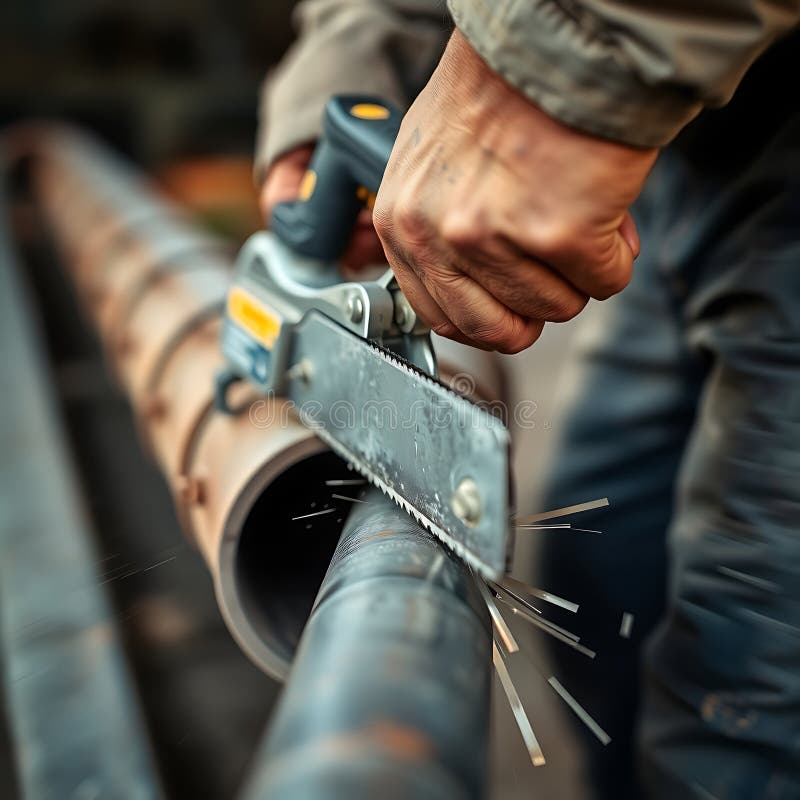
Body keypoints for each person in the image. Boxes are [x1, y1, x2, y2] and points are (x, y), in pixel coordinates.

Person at [256, 3, 800, 798]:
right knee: (601, 576)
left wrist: (536, 71)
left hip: (668, 81)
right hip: (689, 142)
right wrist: (352, 65)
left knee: (738, 703)